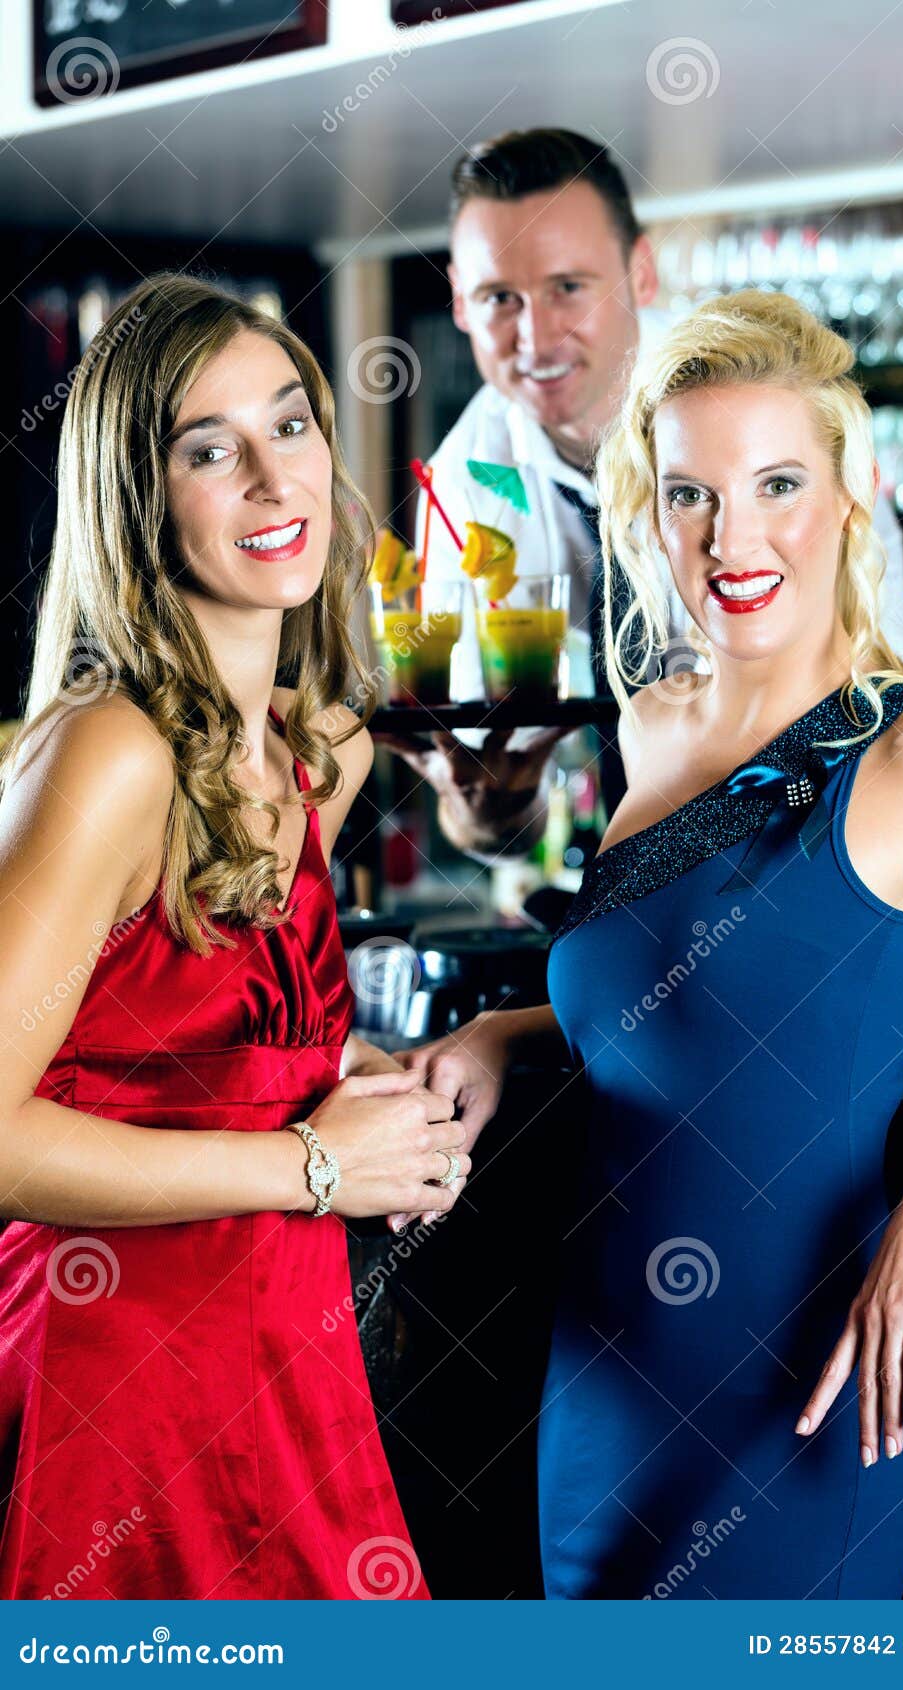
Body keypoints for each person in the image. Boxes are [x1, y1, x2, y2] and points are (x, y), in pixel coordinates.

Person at [394, 291, 903, 1597]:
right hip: (596, 1405)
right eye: (691, 493)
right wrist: (500, 1030)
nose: (732, 535)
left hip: (800, 1415)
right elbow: (676, 1011)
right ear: (647, 509)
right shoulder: (646, 730)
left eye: (774, 483)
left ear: (849, 492)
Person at [0, 275, 471, 1601]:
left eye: (292, 425)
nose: (276, 481)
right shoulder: (107, 753)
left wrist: (351, 1071)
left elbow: (183, 1041)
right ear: (138, 499)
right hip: (113, 1391)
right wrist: (315, 1159)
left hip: (277, 1364)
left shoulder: (303, 748)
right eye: (211, 450)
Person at [376, 128, 903, 860]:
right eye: (499, 297)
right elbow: (493, 826)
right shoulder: (465, 487)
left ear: (640, 272)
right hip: (638, 886)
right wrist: (492, 808)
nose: (535, 335)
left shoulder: (759, 411)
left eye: (567, 287)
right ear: (461, 306)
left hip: (840, 845)